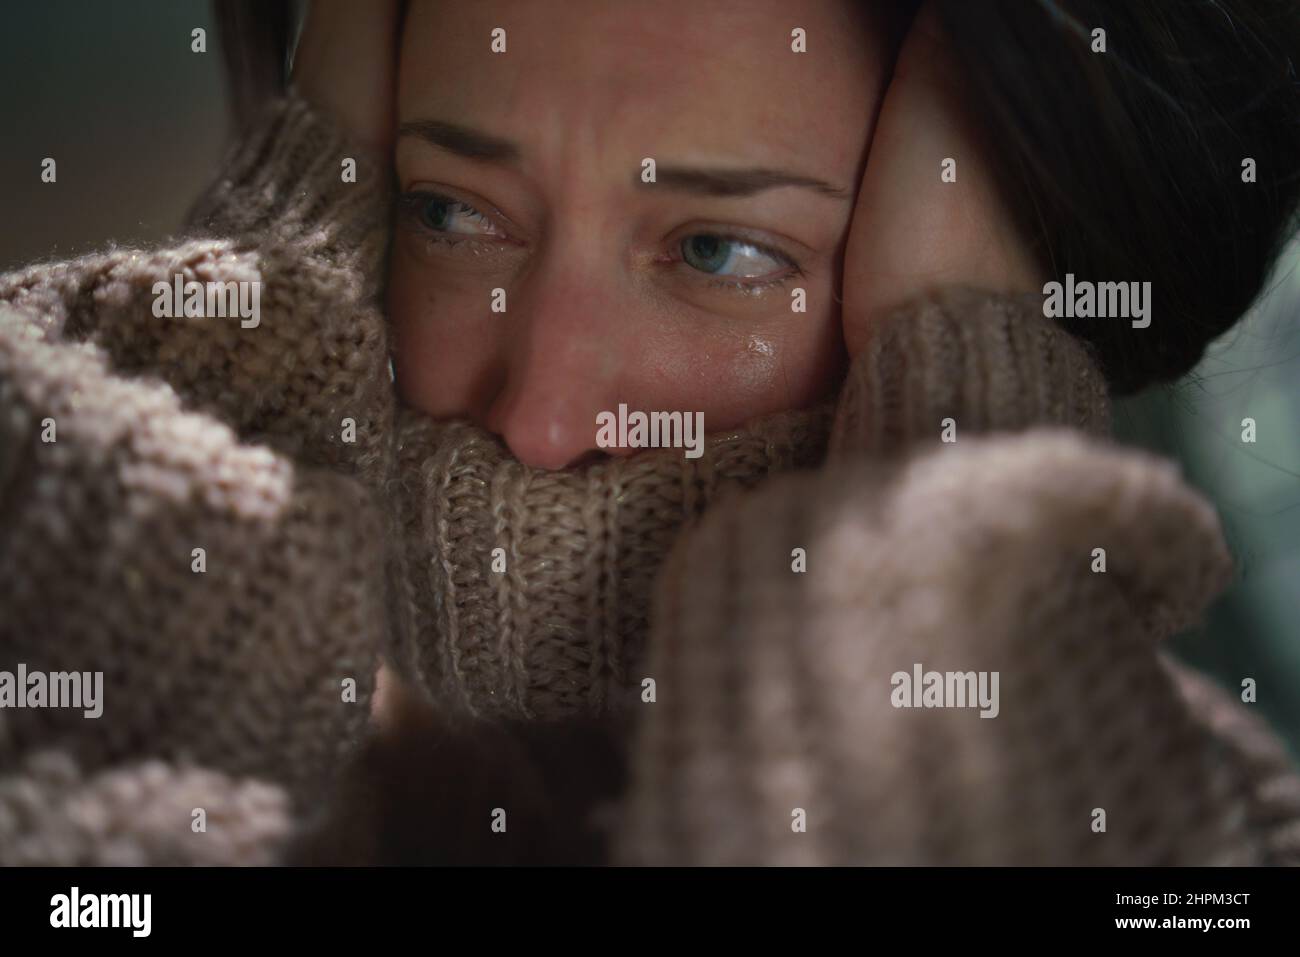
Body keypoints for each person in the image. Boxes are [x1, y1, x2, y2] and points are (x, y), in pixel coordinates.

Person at [2, 0, 1298, 865]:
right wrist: (257, 320)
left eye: (720, 248)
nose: (541, 417)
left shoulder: (1199, 839)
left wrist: (951, 464)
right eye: (451, 212)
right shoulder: (257, 775)